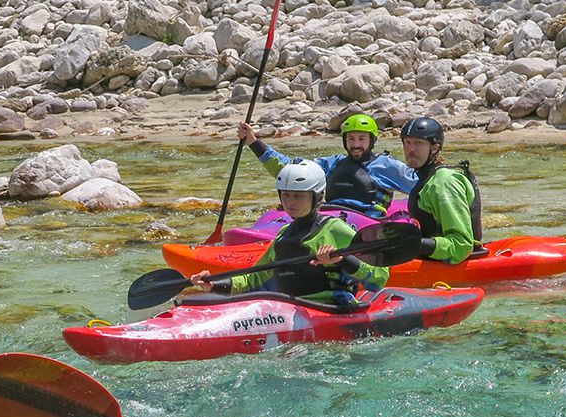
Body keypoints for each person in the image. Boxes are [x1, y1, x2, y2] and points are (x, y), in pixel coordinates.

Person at [186, 160, 389, 305]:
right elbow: (252, 279)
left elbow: (380, 277)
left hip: (334, 310)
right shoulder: (284, 234)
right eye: (286, 195)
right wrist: (213, 284)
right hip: (290, 309)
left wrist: (342, 259)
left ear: (318, 197)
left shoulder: (335, 229)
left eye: (298, 196)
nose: (290, 202)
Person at [240, 113, 416, 213]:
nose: (356, 144)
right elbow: (289, 169)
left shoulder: (387, 166)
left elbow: (422, 186)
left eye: (362, 139)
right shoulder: (333, 164)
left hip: (368, 227)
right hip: (330, 220)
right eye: (351, 138)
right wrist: (253, 142)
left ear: (372, 141)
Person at [398, 116, 484, 264]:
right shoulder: (425, 177)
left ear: (435, 148)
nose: (411, 149)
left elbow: (461, 245)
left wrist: (417, 245)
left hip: (454, 259)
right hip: (432, 256)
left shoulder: (444, 183)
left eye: (419, 143)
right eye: (407, 142)